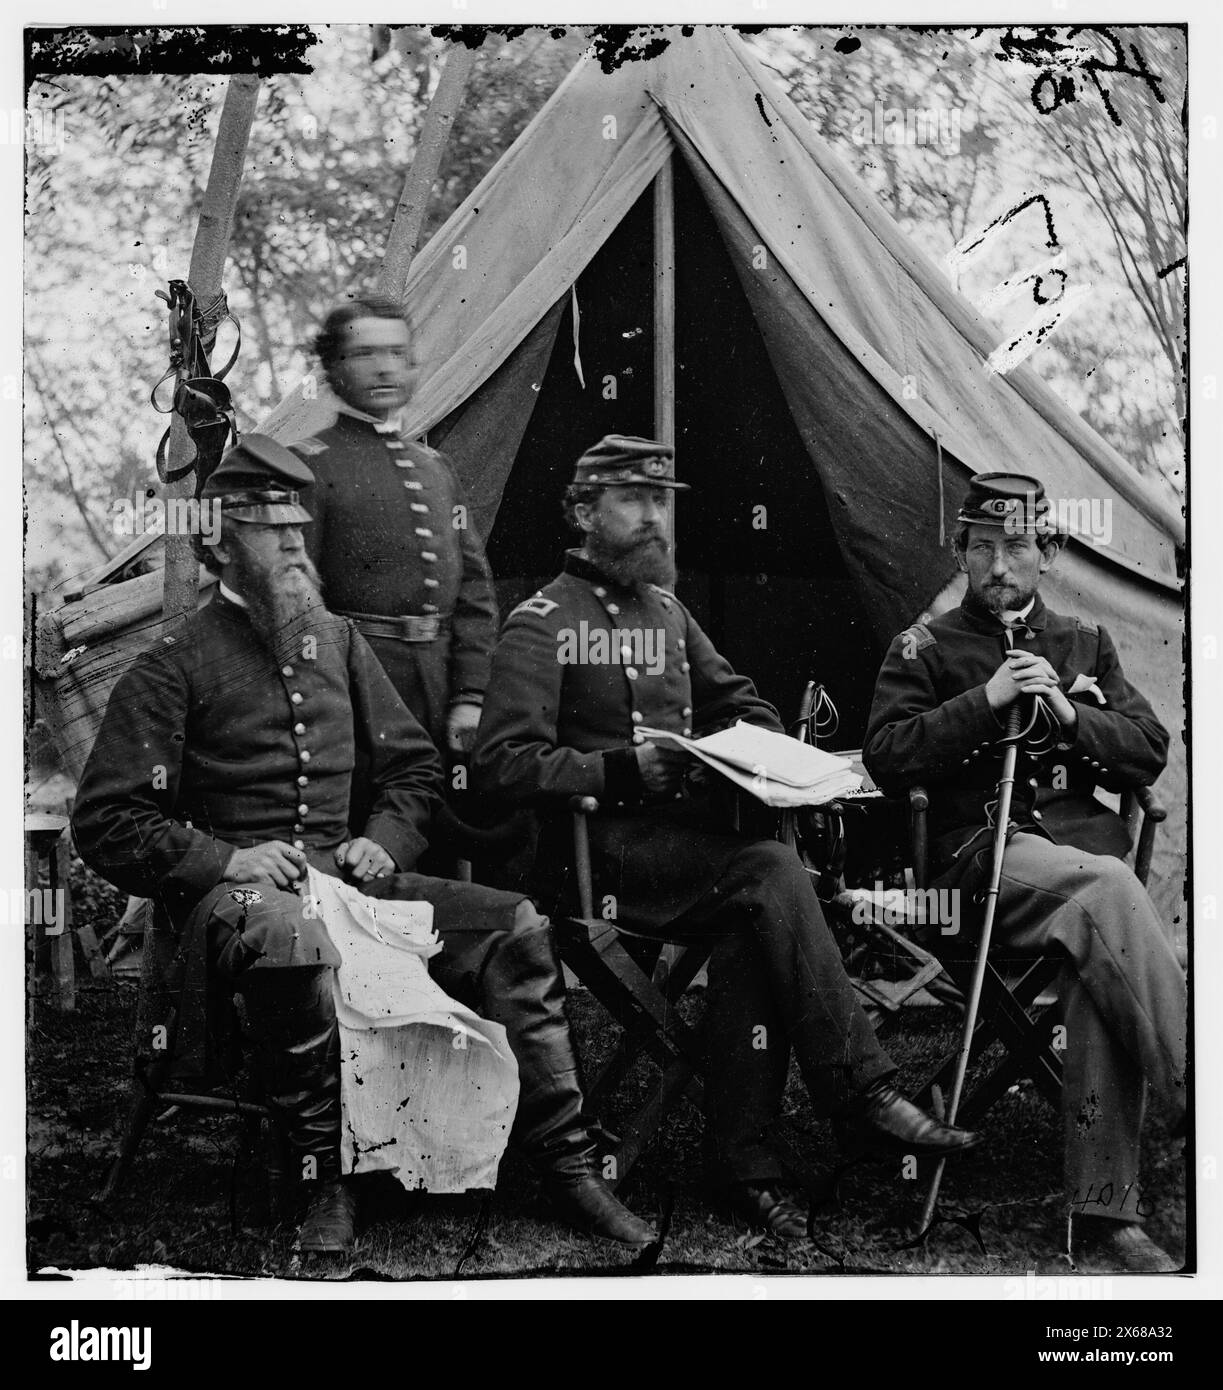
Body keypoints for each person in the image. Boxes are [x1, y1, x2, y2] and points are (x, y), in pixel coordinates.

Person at [72, 436, 655, 1255]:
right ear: (220, 543)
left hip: (350, 885)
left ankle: (568, 1167)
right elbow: (104, 820)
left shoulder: (339, 643)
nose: (292, 547)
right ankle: (326, 1181)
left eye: (296, 531)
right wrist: (224, 860)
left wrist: (383, 839)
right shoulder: (172, 665)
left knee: (516, 925)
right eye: (272, 533)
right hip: (231, 904)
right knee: (285, 932)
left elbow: (414, 768)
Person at [470, 434, 979, 1241]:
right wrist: (625, 771)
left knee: (755, 920)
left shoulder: (668, 612)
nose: (653, 518)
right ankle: (861, 1092)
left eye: (661, 500)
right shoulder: (542, 621)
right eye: (633, 500)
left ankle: (745, 1168)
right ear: (581, 511)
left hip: (687, 858)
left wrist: (755, 757)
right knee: (772, 874)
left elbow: (744, 704)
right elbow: (500, 764)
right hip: (594, 857)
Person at [862, 472, 1187, 1273]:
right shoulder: (924, 647)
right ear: (961, 555)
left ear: (1047, 552)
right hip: (978, 869)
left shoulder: (1083, 642)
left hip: (1076, 867)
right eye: (980, 548)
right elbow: (886, 755)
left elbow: (1149, 747)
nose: (998, 564)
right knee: (1110, 894)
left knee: (1094, 944)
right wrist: (987, 698)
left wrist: (1075, 716)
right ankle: (1195, 1102)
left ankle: (1105, 1209)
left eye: (1015, 547)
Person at [292, 294, 497, 761]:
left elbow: (473, 592)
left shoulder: (435, 467)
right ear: (331, 369)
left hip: (444, 685)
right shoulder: (307, 465)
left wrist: (471, 695)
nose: (385, 369)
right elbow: (298, 605)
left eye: (397, 354)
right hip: (359, 688)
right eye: (365, 354)